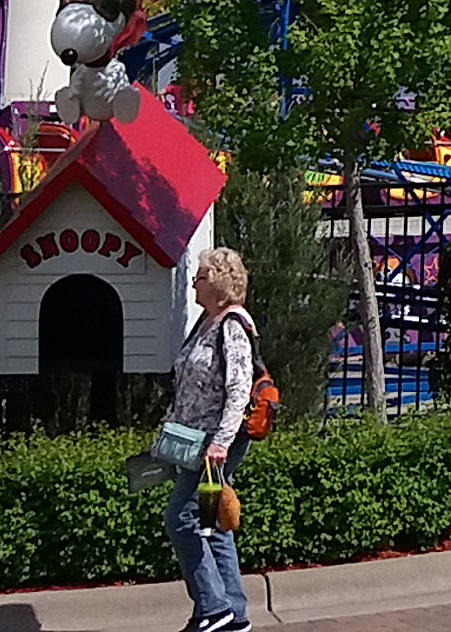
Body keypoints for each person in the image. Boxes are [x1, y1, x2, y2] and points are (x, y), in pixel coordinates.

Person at [163, 248, 259, 632]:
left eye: (200, 277)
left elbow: (239, 390)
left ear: (219, 281)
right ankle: (232, 614)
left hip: (213, 445)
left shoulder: (231, 326)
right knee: (212, 523)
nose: (193, 282)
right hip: (193, 440)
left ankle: (212, 606)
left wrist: (220, 443)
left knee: (181, 518)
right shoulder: (206, 322)